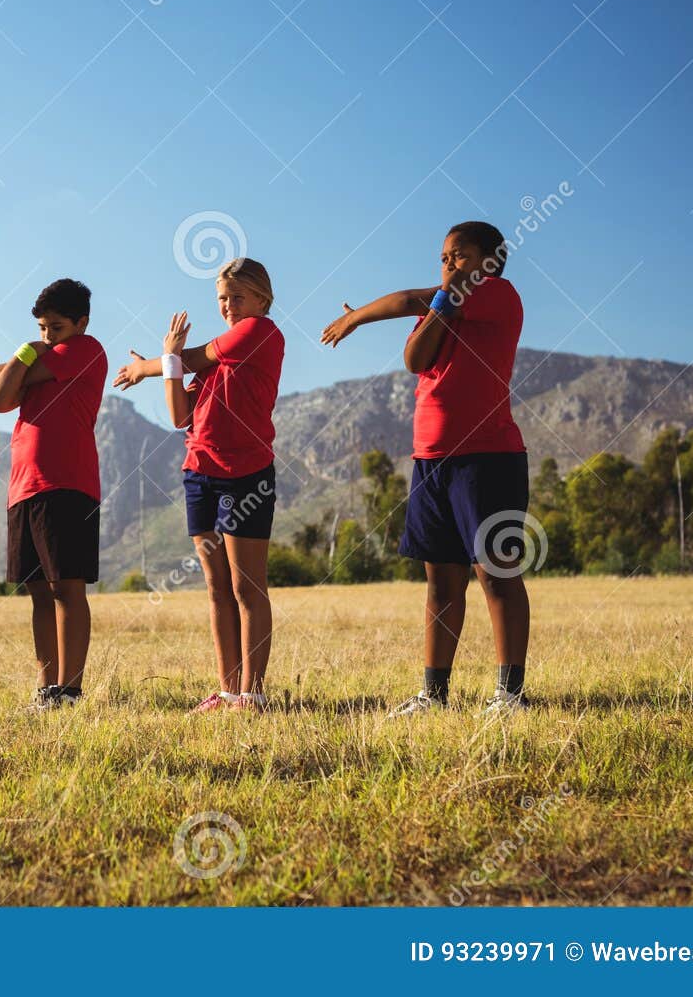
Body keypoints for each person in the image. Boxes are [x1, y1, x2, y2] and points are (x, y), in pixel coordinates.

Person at [321, 220, 531, 718]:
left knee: (496, 575)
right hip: (431, 461)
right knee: (441, 582)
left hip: (486, 458)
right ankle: (433, 695)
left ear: (490, 262)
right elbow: (415, 360)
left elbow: (403, 299)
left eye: (460, 255)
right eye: (443, 257)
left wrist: (358, 318)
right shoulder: (443, 307)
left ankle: (510, 695)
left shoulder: (497, 293)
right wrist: (439, 308)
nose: (449, 264)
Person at [113, 258, 284, 713]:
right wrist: (166, 366)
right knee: (217, 587)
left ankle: (253, 694)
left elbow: (190, 357)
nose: (228, 306)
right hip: (199, 475)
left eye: (237, 297)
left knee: (247, 588)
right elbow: (179, 416)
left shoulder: (260, 333)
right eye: (222, 299)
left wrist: (154, 364)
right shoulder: (216, 361)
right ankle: (228, 691)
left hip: (245, 476)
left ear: (262, 299)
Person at [0, 278, 107, 709]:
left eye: (57, 327)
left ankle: (69, 691)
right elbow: (4, 391)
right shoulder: (43, 358)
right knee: (38, 591)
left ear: (81, 323)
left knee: (66, 588)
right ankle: (46, 689)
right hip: (24, 486)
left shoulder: (85, 349)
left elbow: (0, 396)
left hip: (66, 484)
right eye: (41, 328)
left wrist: (6, 362)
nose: (48, 337)